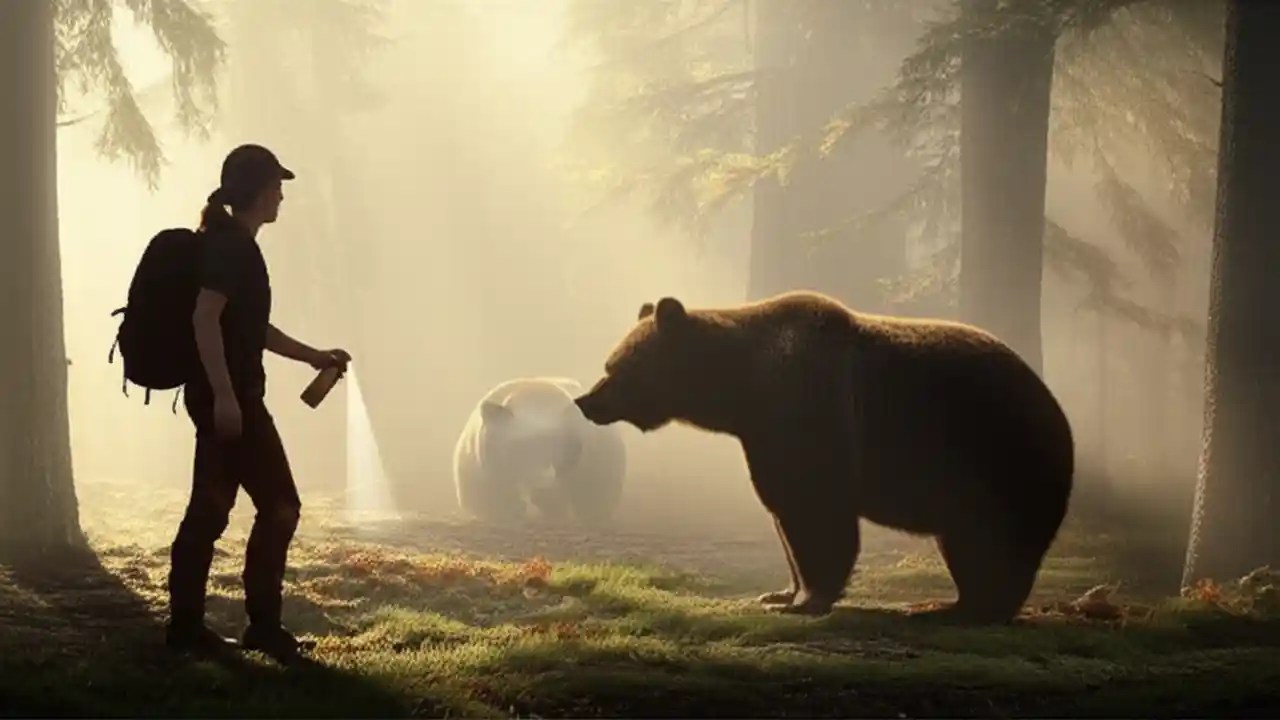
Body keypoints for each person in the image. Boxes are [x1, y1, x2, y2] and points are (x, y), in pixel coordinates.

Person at [164, 143, 351, 663]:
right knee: (280, 506)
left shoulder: (231, 244)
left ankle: (188, 628)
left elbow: (250, 327)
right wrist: (226, 396)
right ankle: (261, 627)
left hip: (227, 397)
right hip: (232, 400)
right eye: (275, 187)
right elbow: (205, 318)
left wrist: (312, 356)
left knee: (210, 509)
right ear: (257, 192)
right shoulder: (233, 249)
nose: (281, 197)